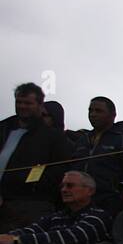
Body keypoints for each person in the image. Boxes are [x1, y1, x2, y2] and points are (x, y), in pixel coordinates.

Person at [0, 171, 111, 244]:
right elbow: (31, 230)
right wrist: (5, 242)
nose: (64, 190)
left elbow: (68, 237)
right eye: (62, 186)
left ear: (90, 191)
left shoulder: (99, 216)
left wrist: (16, 240)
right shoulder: (57, 216)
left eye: (70, 186)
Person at [0, 83, 74, 233]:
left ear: (40, 106)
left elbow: (59, 171)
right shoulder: (3, 128)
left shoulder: (53, 137)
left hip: (31, 205)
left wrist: (29, 185)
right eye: (19, 102)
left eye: (28, 103)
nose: (22, 106)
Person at [71, 97, 123, 216]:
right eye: (90, 110)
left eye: (98, 111)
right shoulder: (83, 139)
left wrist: (120, 198)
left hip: (109, 206)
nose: (93, 114)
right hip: (78, 204)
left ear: (113, 115)